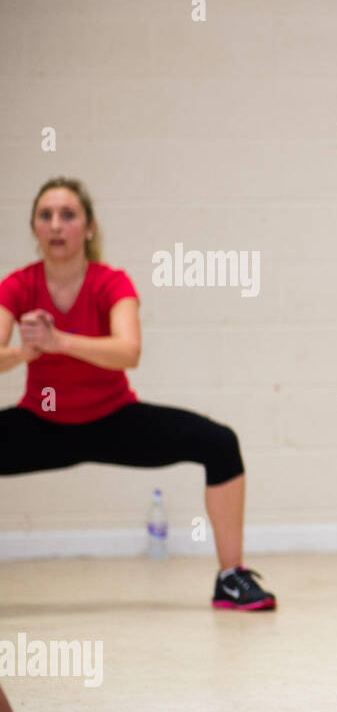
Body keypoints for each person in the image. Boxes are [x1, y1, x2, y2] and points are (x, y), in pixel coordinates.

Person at [0, 178, 276, 610]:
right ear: (34, 226)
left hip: (114, 419)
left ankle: (230, 577)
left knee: (219, 442)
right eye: (45, 215)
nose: (56, 225)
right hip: (43, 421)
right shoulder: (18, 285)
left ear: (89, 227)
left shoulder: (111, 282)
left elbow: (129, 352)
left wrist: (60, 342)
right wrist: (23, 352)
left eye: (68, 215)